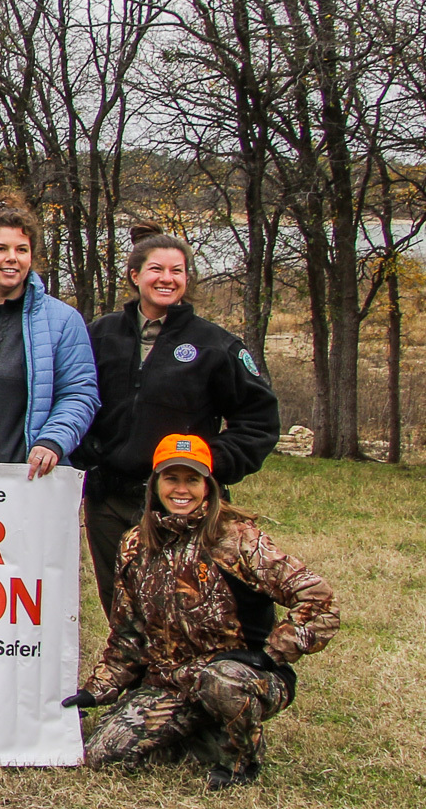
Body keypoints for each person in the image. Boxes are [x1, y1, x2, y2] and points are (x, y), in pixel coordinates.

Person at [66, 435, 336, 789]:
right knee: (106, 752)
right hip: (174, 683)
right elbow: (127, 636)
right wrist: (98, 689)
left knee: (222, 682)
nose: (182, 489)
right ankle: (207, 734)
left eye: (192, 480)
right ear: (155, 485)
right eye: (171, 479)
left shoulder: (238, 540)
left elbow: (319, 600)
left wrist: (271, 655)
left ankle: (241, 759)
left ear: (209, 486)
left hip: (241, 677)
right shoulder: (135, 544)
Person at [76, 230, 279, 612]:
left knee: (182, 611)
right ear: (135, 276)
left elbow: (259, 420)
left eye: (177, 271)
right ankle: (130, 674)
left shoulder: (214, 344)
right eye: (156, 269)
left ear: (187, 280)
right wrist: (88, 452)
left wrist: (207, 463)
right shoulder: (99, 335)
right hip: (110, 500)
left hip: (181, 501)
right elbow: (71, 399)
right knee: (122, 606)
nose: (166, 278)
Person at [0, 198, 99, 477]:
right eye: (0, 249)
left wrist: (53, 441)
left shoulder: (62, 320)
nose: (12, 257)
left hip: (28, 481)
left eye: (21, 250)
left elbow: (79, 393)